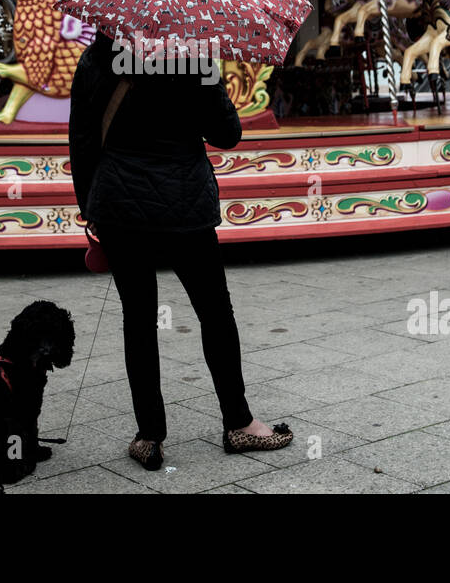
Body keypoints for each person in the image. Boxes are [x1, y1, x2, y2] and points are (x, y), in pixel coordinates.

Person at [69, 32, 294, 470]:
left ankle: (149, 436)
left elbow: (81, 138)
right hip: (185, 204)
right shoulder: (192, 56)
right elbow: (227, 135)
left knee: (138, 319)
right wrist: (213, 83)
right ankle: (239, 422)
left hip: (120, 204)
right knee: (215, 313)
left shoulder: (97, 57)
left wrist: (88, 208)